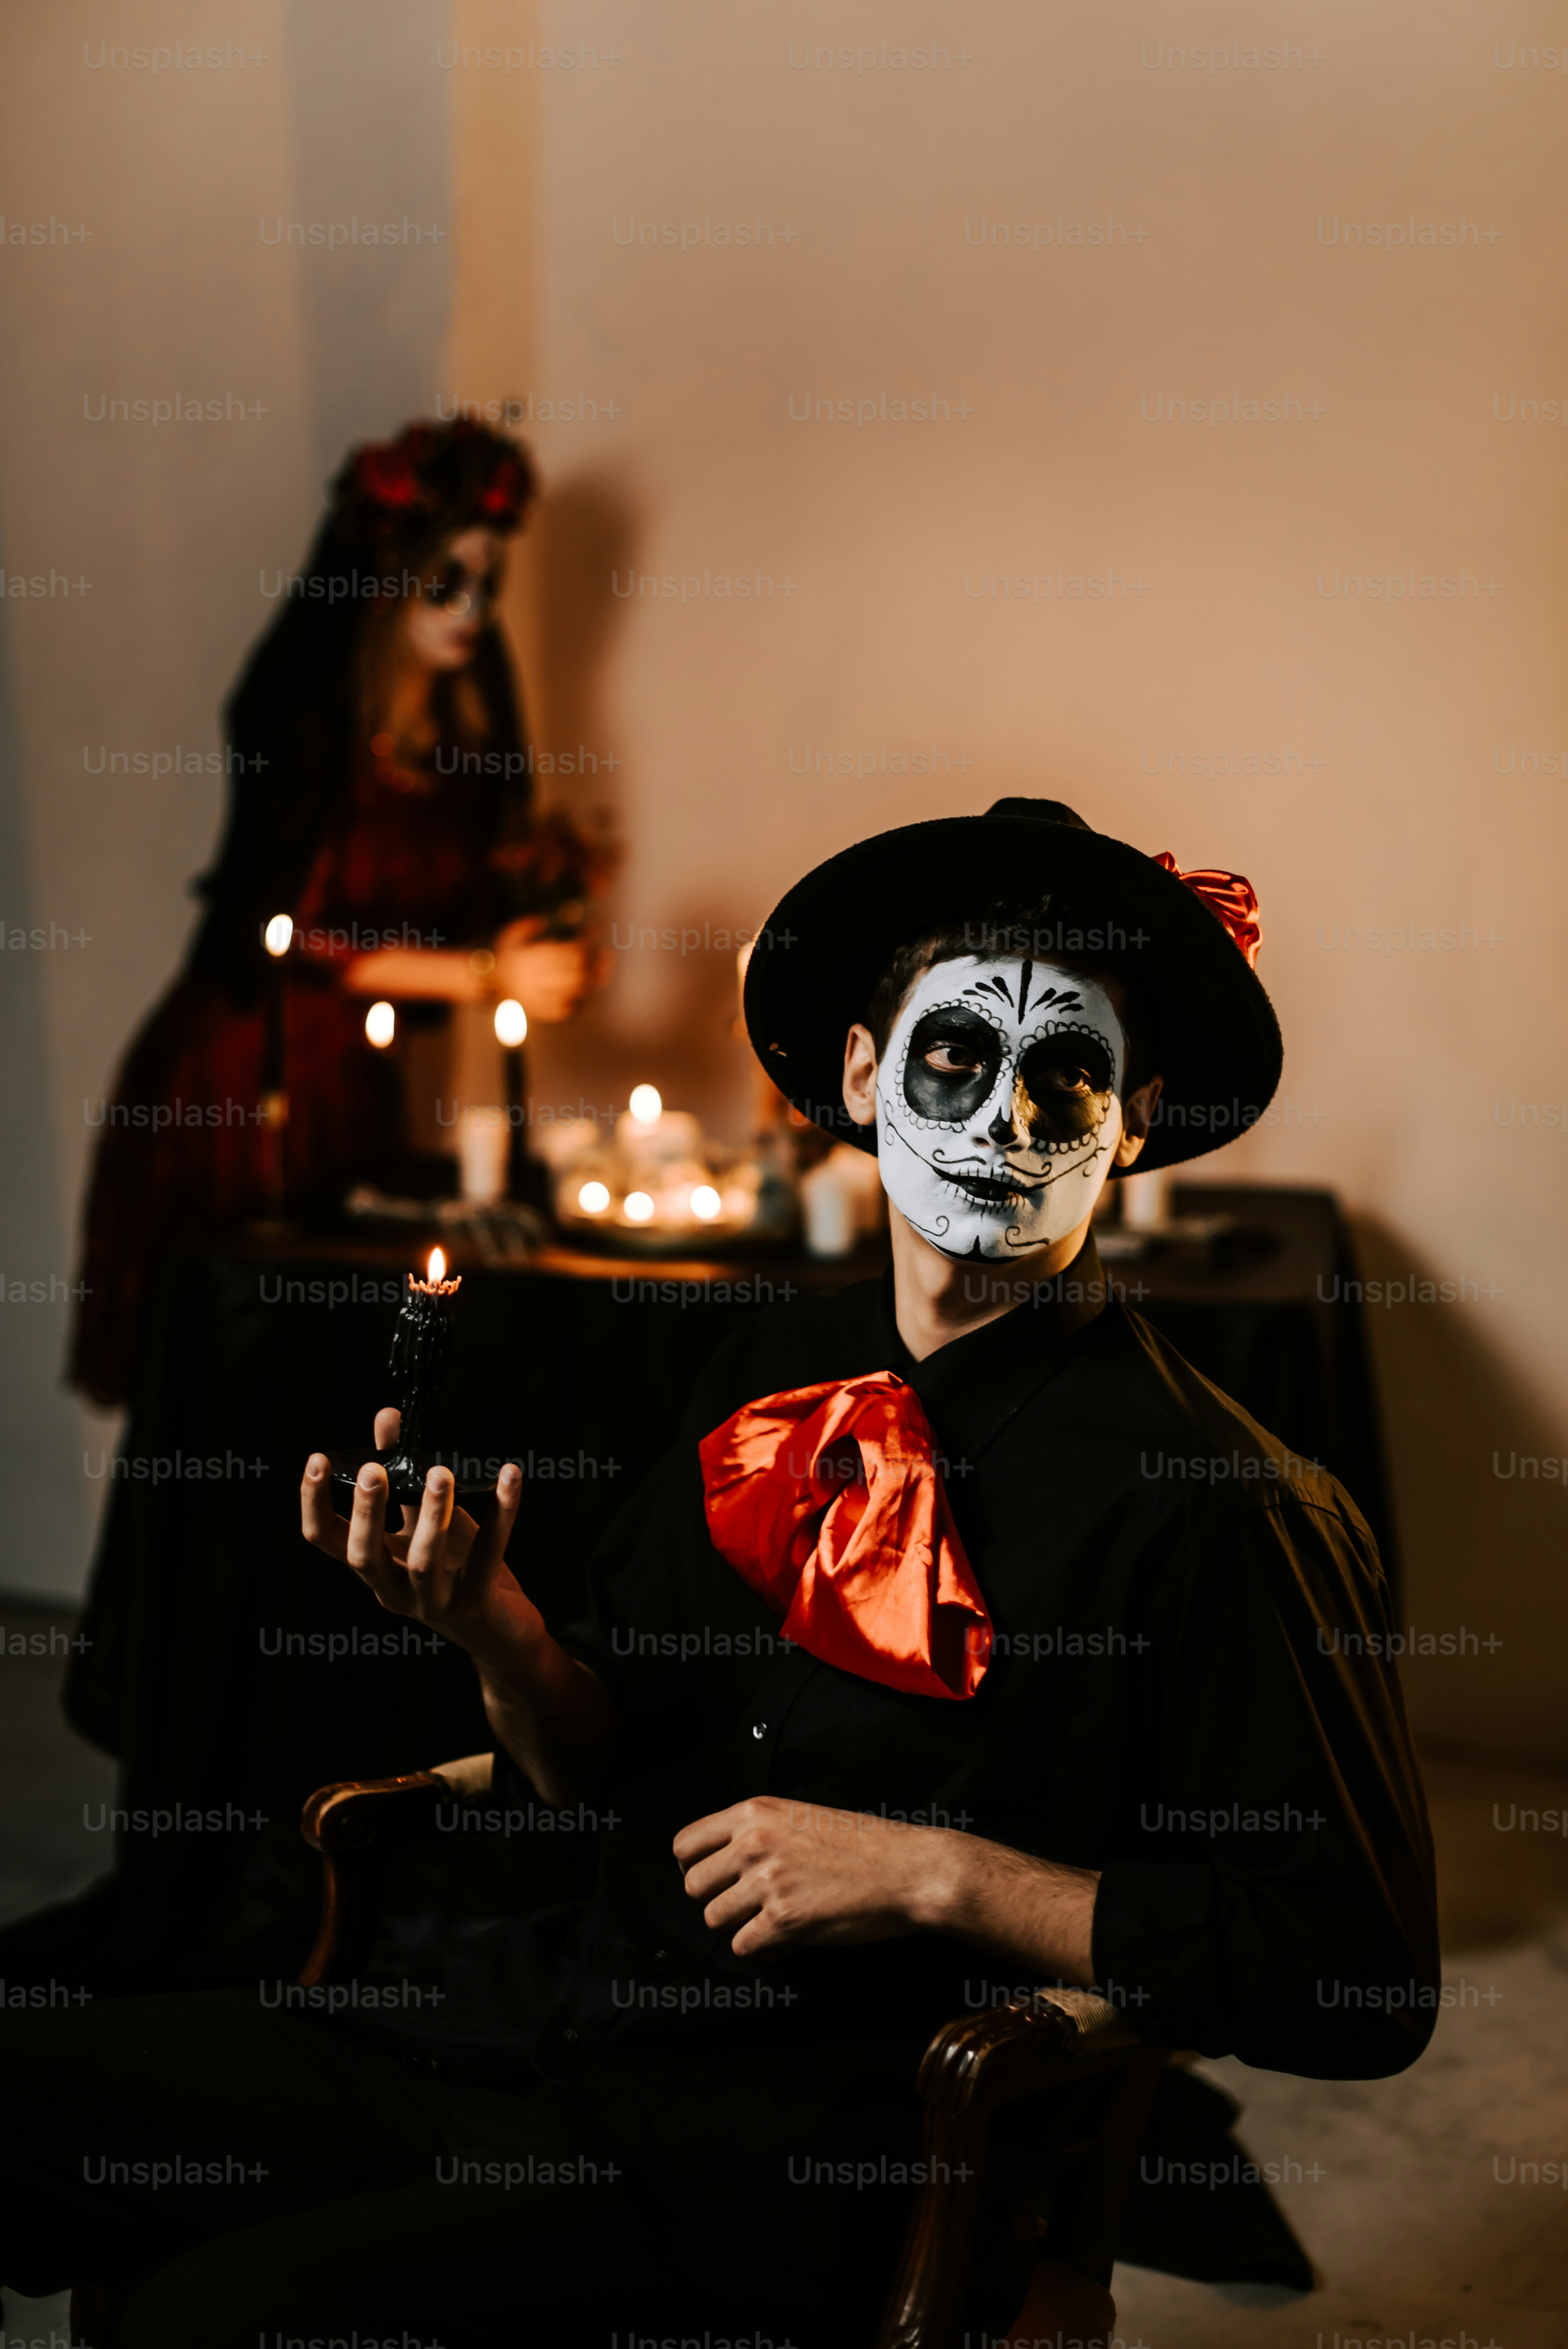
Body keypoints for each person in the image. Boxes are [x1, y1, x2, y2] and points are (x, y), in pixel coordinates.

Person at [2, 799, 1438, 2347]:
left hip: (789, 2162)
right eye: (956, 1054)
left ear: (1133, 1118)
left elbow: (1350, 1972)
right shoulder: (770, 1362)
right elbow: (598, 1754)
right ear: (861, 1075)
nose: (1003, 1118)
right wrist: (497, 1627)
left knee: (218, 2316)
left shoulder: (1219, 1503)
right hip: (521, 2024)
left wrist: (934, 1871)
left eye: (1064, 1073)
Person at [69, 417, 607, 1409]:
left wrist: (547, 935)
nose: (471, 614)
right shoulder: (310, 731)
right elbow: (290, 936)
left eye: (489, 585)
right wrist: (486, 974)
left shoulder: (463, 749)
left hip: (356, 1092)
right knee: (231, 1377)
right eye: (445, 582)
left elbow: (473, 920)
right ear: (386, 579)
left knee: (336, 1383)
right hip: (239, 1084)